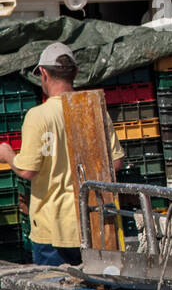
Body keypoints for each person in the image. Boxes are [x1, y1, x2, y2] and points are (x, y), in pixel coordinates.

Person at [0, 43, 124, 266]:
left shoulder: (38, 116)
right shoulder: (94, 109)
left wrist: (8, 155)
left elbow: (27, 170)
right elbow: (115, 163)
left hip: (53, 230)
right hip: (95, 224)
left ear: (44, 74)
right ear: (75, 73)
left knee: (55, 289)